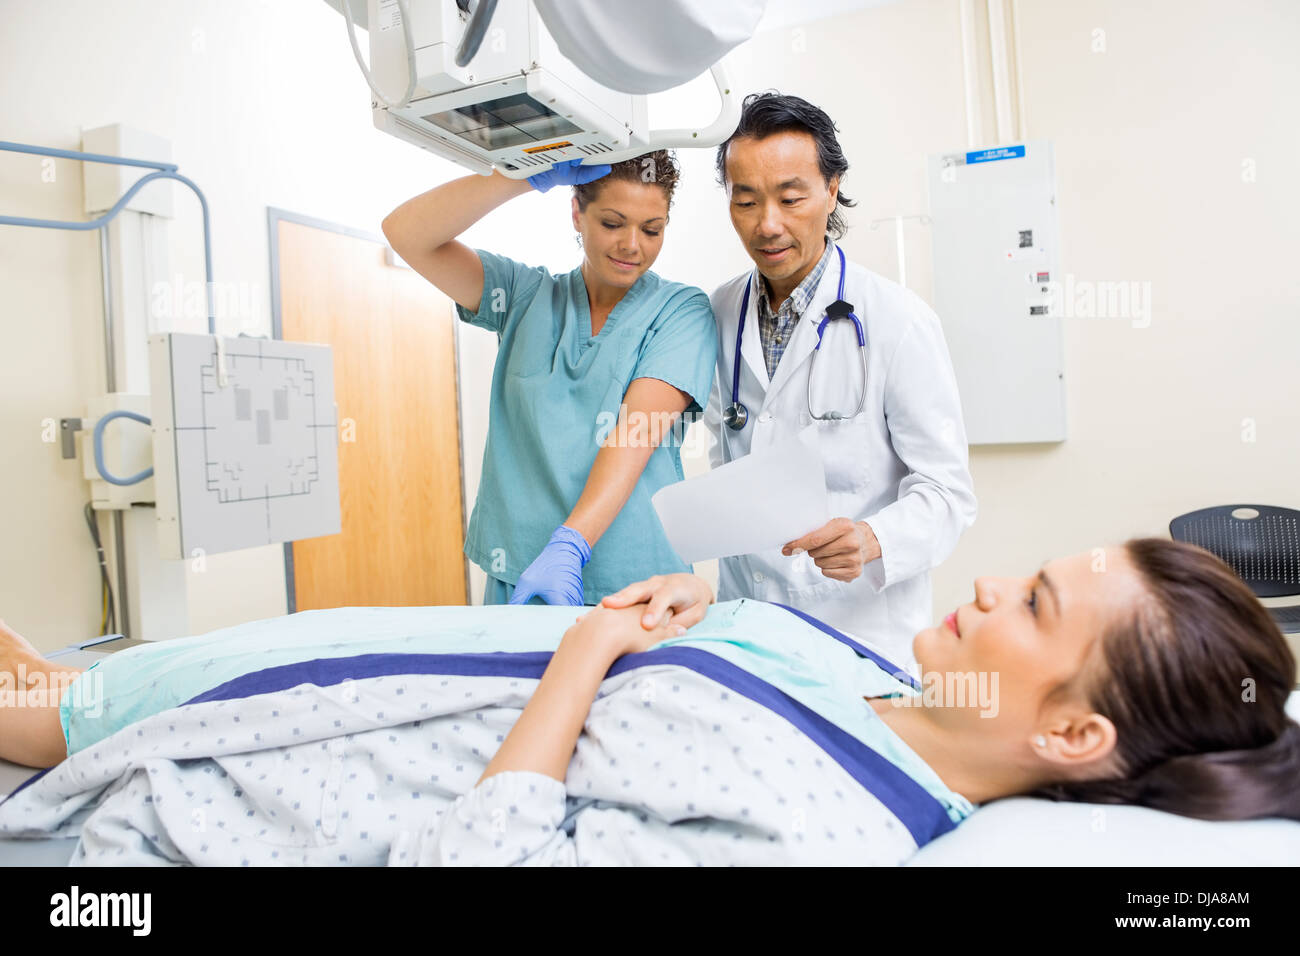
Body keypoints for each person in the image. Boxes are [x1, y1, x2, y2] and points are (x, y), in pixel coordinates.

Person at [1, 538, 1296, 865]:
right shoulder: (886, 685)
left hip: (248, 784)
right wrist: (688, 612)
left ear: (1076, 734)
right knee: (63, 680)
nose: (993, 584)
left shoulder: (821, 839)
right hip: (294, 679)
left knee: (50, 719)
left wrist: (581, 661)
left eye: (1036, 608)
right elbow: (728, 662)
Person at [660, 92, 973, 670]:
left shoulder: (897, 321)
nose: (767, 224)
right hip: (746, 627)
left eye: (790, 197)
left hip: (858, 637)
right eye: (746, 201)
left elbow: (948, 493)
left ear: (832, 189)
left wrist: (875, 539)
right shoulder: (718, 312)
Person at [381, 152, 717, 607]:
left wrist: (570, 546)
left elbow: (636, 434)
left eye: (651, 229)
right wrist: (516, 178)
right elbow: (407, 235)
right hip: (525, 570)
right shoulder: (522, 296)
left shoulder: (681, 311)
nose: (632, 245)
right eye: (613, 223)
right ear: (576, 212)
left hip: (638, 583)